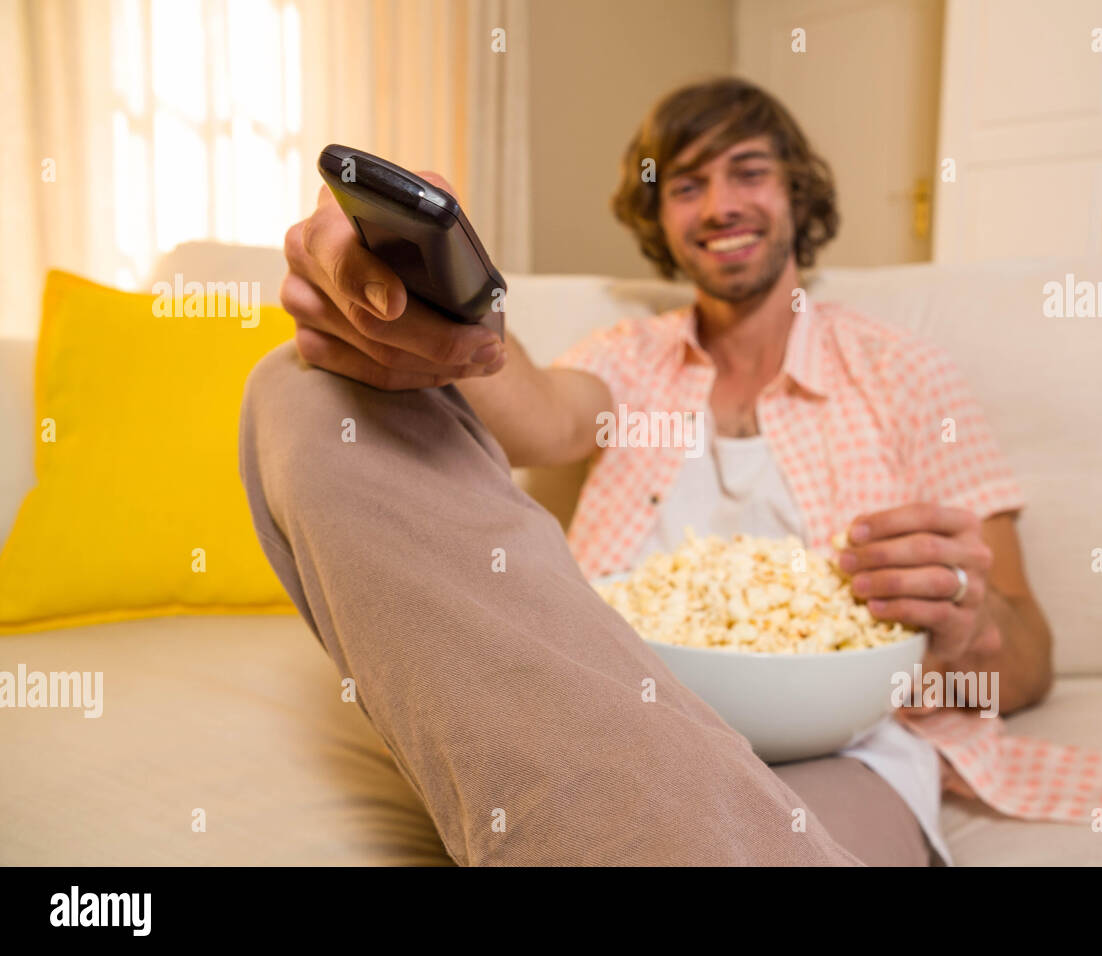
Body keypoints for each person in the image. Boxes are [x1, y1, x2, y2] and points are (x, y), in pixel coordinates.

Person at [242, 76, 1052, 866]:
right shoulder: (630, 361)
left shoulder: (907, 373)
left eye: (749, 172)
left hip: (843, 758)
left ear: (798, 196)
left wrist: (965, 624)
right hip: (611, 722)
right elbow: (536, 407)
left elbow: (1030, 658)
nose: (720, 204)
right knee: (301, 392)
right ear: (660, 219)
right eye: (687, 184)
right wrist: (451, 315)